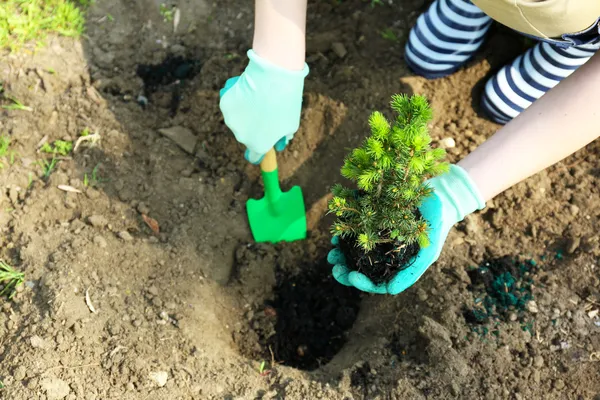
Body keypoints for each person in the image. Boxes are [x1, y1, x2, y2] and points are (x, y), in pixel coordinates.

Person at [219, 0, 600, 294]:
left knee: (503, 104)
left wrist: (456, 193)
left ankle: (569, 46)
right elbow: (276, 50)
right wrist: (276, 58)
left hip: (578, 24)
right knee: (426, 57)